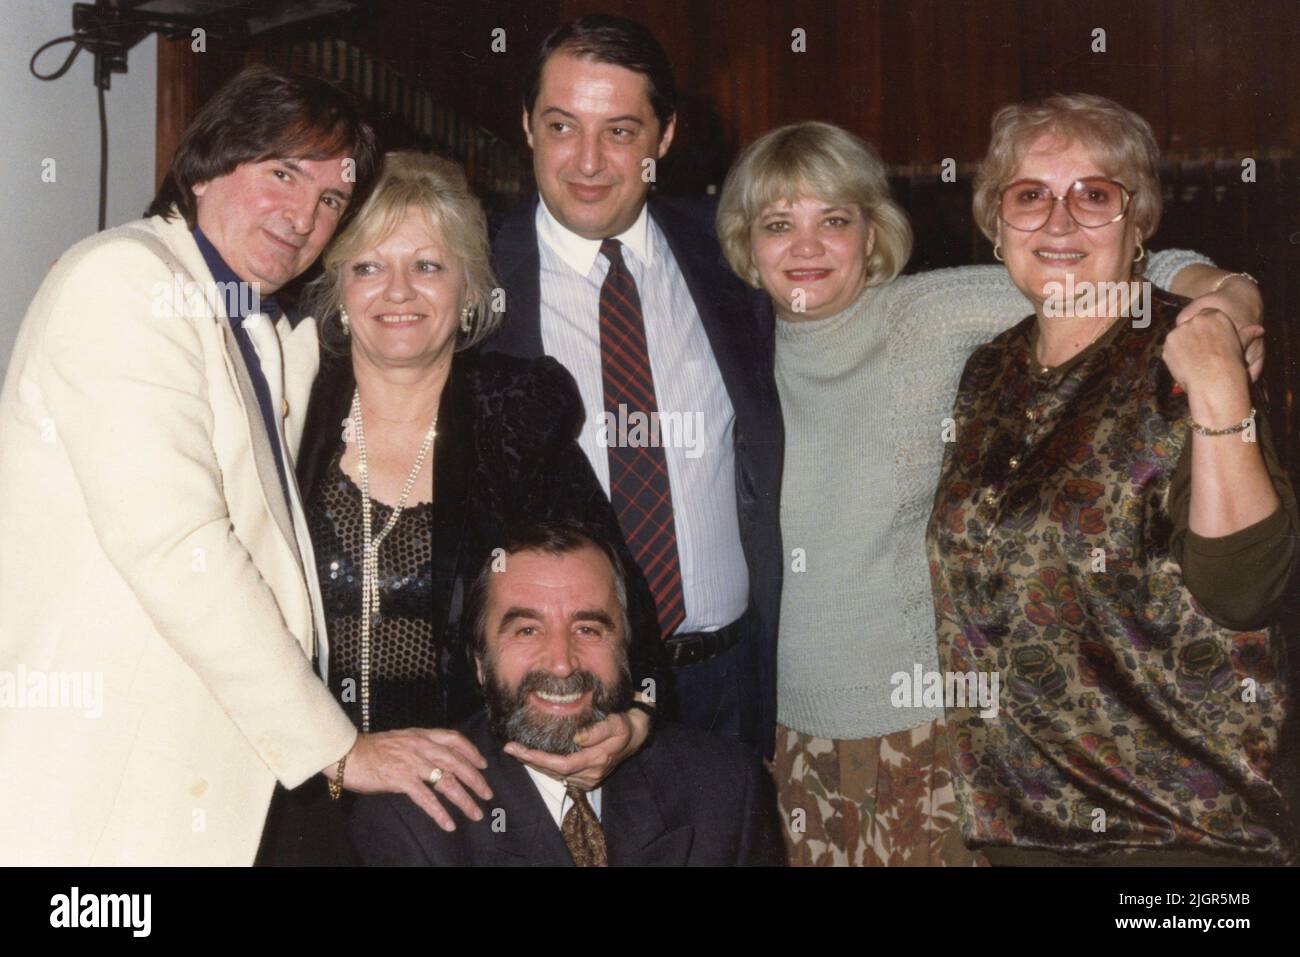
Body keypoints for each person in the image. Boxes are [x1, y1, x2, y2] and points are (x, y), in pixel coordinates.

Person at [714, 120, 1270, 866]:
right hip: (790, 737)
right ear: (747, 246)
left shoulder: (928, 315)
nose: (807, 247)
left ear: (872, 236)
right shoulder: (730, 355)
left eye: (835, 220)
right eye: (779, 224)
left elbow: (1099, 267)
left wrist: (1228, 292)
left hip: (932, 734)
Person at [0, 66, 454, 865]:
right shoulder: (127, 280)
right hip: (105, 790)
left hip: (199, 781)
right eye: (284, 173)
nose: (303, 216)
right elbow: (179, 547)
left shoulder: (256, 324)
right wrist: (338, 749)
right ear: (207, 164)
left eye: (329, 201)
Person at [256, 152, 665, 865]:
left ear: (470, 290)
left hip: (457, 794)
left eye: (428, 266)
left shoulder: (513, 415)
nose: (398, 291)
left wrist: (636, 715)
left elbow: (612, 584)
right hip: (290, 779)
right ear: (338, 288)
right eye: (368, 266)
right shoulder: (281, 400)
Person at [926, 93, 1297, 864]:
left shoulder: (1187, 348)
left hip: (1179, 839)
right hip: (1015, 832)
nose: (1059, 223)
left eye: (1094, 196)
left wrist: (1221, 387)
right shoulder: (988, 370)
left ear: (1139, 225)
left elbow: (1246, 588)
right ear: (998, 227)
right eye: (1031, 196)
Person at [487, 14, 785, 756]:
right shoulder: (473, 278)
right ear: (527, 125)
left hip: (733, 677)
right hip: (570, 693)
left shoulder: (735, 256)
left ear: (665, 136)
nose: (588, 161)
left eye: (620, 131)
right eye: (562, 125)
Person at [350, 521, 785, 866]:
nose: (562, 662)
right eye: (527, 630)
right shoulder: (413, 822)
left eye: (588, 629)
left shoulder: (726, 788)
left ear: (627, 652)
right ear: (480, 664)